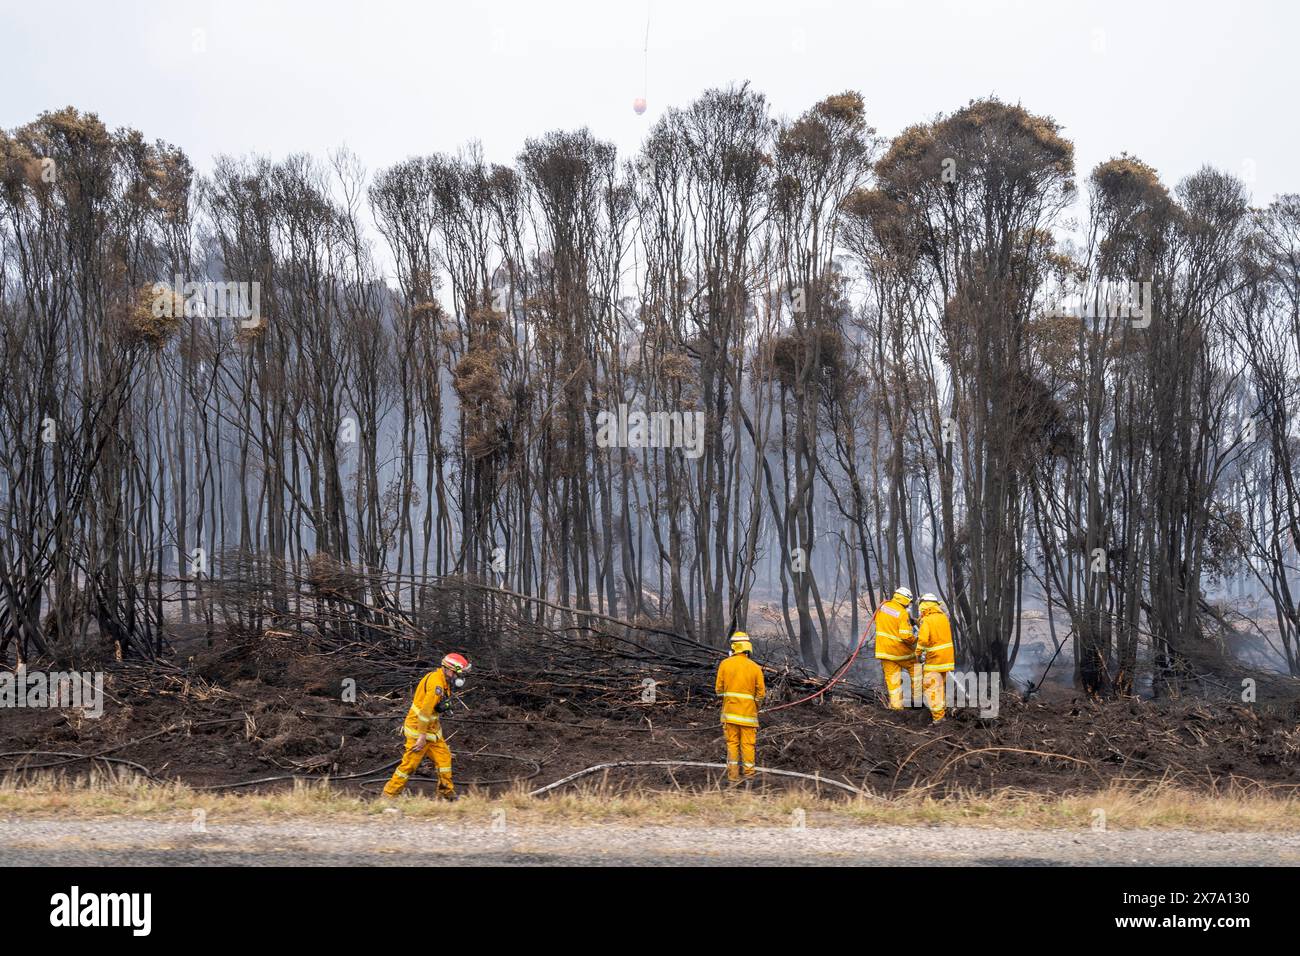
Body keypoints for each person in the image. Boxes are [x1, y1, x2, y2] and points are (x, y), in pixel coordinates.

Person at [382, 652, 471, 800]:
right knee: (409, 765)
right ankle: (388, 795)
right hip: (419, 730)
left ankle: (446, 794)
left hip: (432, 730)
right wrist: (421, 737)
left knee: (444, 760)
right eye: (458, 674)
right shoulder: (436, 685)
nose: (459, 678)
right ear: (449, 669)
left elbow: (435, 709)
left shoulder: (443, 680)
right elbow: (424, 713)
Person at [714, 632, 766, 782]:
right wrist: (755, 705)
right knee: (748, 745)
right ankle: (749, 777)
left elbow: (718, 690)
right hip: (749, 716)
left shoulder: (725, 664)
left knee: (732, 745)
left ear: (734, 647)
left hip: (730, 714)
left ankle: (733, 777)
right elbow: (761, 694)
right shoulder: (755, 667)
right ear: (748, 648)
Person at [874, 586, 921, 710]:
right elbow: (906, 636)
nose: (909, 605)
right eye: (909, 603)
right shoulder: (902, 612)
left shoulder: (882, 607)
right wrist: (916, 638)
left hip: (884, 651)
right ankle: (917, 701)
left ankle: (897, 708)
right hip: (899, 651)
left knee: (893, 681)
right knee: (916, 669)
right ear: (906, 600)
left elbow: (885, 623)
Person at [915, 593, 954, 722]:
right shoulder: (943, 617)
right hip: (946, 659)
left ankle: (938, 718)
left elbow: (923, 640)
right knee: (939, 687)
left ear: (924, 605)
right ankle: (941, 713)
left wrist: (918, 653)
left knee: (931, 687)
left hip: (935, 660)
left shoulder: (927, 620)